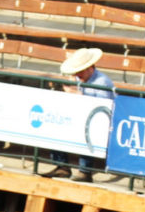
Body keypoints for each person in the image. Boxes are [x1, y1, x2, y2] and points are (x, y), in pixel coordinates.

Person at [41, 46, 111, 181]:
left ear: (89, 68)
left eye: (79, 71)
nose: (77, 75)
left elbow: (103, 108)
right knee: (55, 124)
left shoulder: (102, 82)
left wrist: (79, 95)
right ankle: (62, 166)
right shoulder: (80, 79)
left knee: (88, 131)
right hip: (81, 117)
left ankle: (85, 171)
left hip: (98, 122)